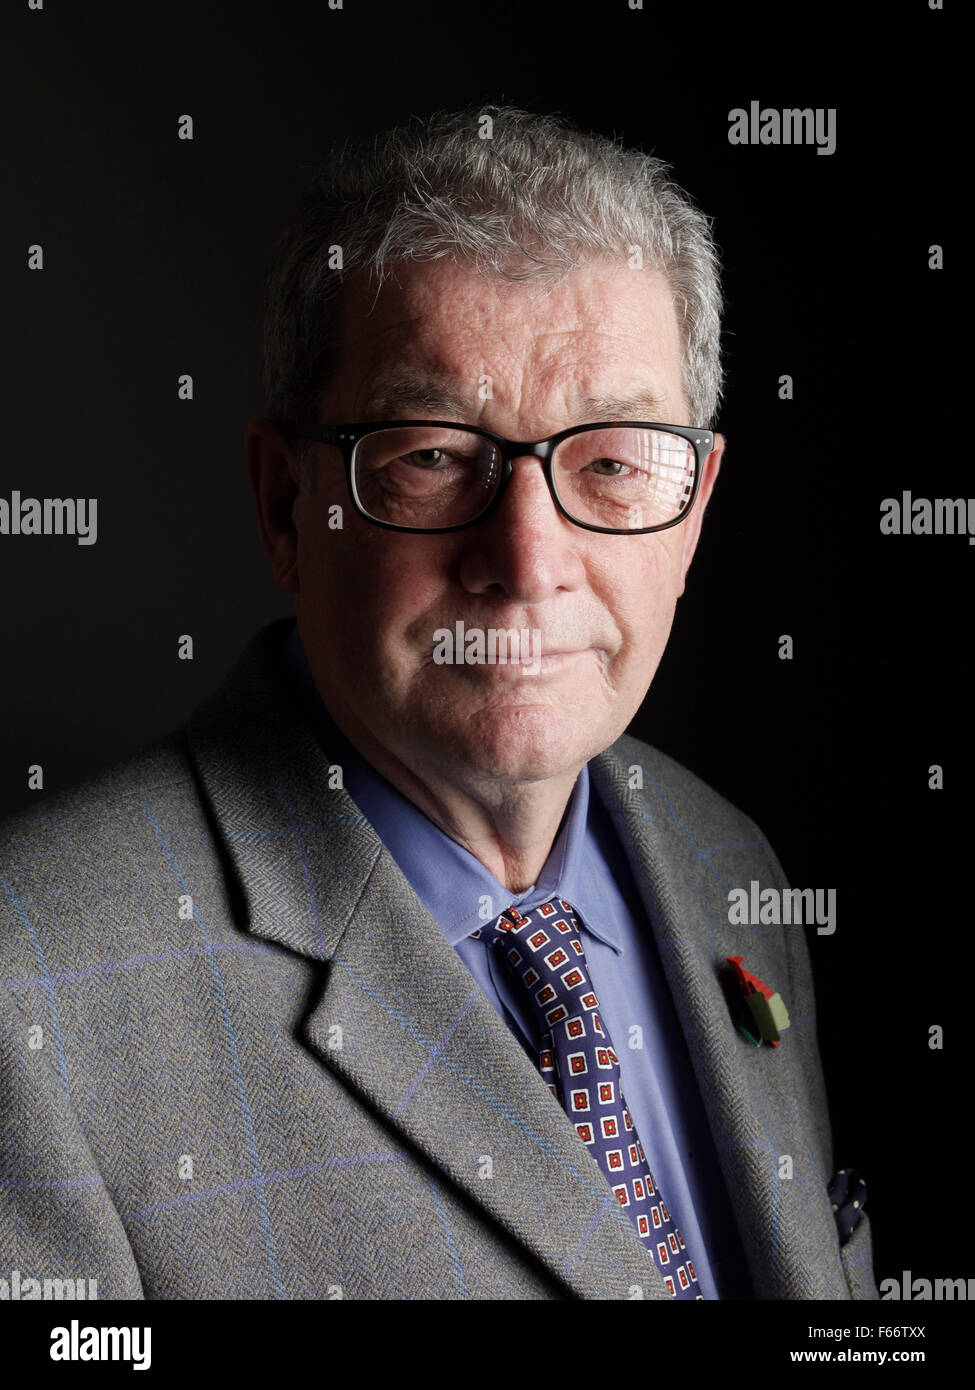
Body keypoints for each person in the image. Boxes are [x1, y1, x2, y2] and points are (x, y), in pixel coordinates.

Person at [0, 105, 877, 1300]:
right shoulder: (30, 993)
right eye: (431, 454)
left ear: (695, 509)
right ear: (283, 505)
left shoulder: (728, 858)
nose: (527, 557)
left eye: (613, 461)